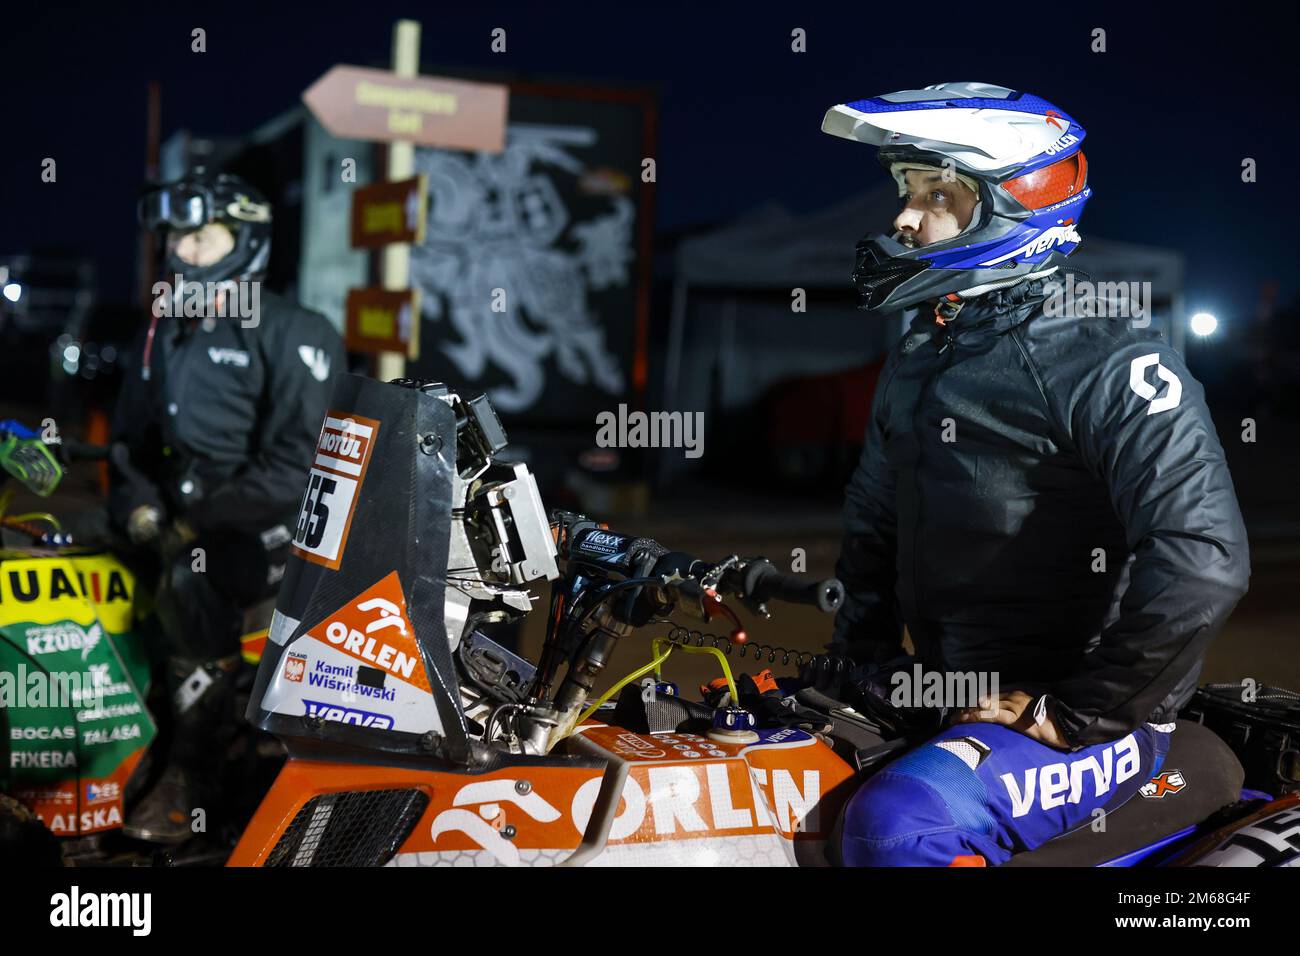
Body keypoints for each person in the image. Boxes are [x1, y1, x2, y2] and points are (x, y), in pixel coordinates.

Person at [822, 83, 1249, 865]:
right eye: (906, 192)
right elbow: (873, 521)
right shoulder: (922, 350)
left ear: (1012, 207)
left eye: (936, 194)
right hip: (949, 691)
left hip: (1096, 720)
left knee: (897, 826)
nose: (904, 220)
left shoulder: (1110, 358)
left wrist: (1078, 713)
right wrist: (866, 661)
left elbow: (1203, 561)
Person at [114, 169, 344, 843]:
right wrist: (140, 512)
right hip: (176, 516)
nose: (183, 252)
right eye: (176, 238)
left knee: (191, 576)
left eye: (201, 237)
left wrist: (189, 524)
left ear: (244, 241)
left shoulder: (295, 331)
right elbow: (130, 443)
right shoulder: (163, 329)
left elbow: (297, 468)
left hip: (269, 525)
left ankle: (192, 771)